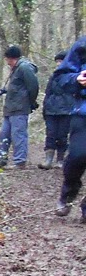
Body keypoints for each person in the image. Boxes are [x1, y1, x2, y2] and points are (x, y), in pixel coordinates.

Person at [52, 36, 86, 219]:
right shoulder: (82, 45)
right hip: (83, 113)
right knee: (78, 156)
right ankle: (69, 191)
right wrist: (76, 79)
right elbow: (60, 77)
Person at [0, 43, 40, 169]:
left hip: (19, 108)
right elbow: (17, 87)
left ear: (11, 58)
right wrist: (5, 91)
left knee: (18, 135)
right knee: (4, 134)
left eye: (7, 59)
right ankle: (1, 159)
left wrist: (30, 102)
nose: (6, 62)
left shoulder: (24, 67)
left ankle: (20, 162)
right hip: (10, 108)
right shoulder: (16, 69)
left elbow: (33, 86)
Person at [41, 50, 73, 169]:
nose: (59, 63)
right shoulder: (53, 76)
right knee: (50, 134)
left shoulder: (73, 76)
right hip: (51, 110)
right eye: (57, 61)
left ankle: (60, 160)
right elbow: (48, 93)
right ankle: (48, 160)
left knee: (62, 135)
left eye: (61, 61)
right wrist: (45, 108)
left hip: (66, 110)